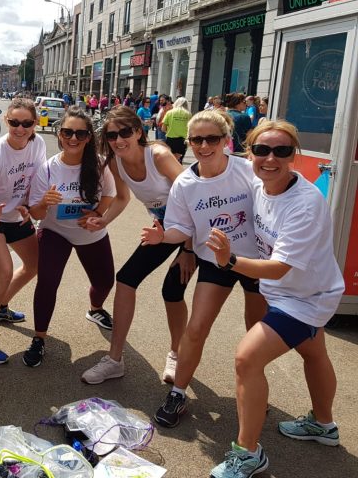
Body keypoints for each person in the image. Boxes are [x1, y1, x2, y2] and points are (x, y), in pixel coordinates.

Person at [206, 121, 343, 478]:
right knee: (314, 353)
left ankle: (249, 454)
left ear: (293, 156)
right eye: (262, 150)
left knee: (246, 358)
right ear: (249, 152)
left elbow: (280, 267)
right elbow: (210, 167)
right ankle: (324, 425)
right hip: (290, 291)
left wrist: (229, 261)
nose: (271, 158)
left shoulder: (305, 203)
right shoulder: (259, 181)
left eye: (281, 151)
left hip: (306, 297)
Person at [141, 110, 267, 428]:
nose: (204, 145)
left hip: (254, 261)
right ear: (190, 142)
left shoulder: (247, 170)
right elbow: (180, 229)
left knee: (258, 334)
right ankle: (179, 393)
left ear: (226, 140)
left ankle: (254, 392)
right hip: (215, 262)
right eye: (197, 139)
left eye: (212, 138)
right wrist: (161, 237)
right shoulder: (185, 183)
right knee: (196, 328)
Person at [80, 106, 195, 384]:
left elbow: (194, 201)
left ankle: (176, 354)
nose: (119, 140)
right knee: (127, 279)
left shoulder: (159, 156)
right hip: (163, 229)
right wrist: (103, 221)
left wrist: (189, 251)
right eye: (111, 135)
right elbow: (122, 198)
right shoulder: (115, 162)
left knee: (172, 290)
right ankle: (115, 359)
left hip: (194, 228)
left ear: (139, 132)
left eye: (125, 132)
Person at [22, 107, 116, 367]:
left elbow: (110, 194)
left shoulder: (98, 164)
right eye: (67, 132)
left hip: (89, 231)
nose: (73, 138)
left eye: (80, 134)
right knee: (47, 282)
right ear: (60, 134)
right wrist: (44, 201)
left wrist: (97, 212)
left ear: (88, 138)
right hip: (55, 231)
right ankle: (39, 338)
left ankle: (95, 309)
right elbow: (35, 212)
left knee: (106, 281)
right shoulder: (48, 169)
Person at [0, 98, 46, 352]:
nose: (20, 129)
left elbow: (37, 180)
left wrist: (29, 202)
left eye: (27, 123)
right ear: (7, 121)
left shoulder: (39, 144)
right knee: (2, 271)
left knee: (35, 264)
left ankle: (1, 307)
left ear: (35, 124)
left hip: (16, 214)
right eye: (14, 122)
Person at [161, 96, 191, 164]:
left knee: (170, 161)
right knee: (179, 160)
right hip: (183, 141)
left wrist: (170, 131)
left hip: (170, 140)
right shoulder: (188, 114)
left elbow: (163, 128)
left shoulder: (169, 113)